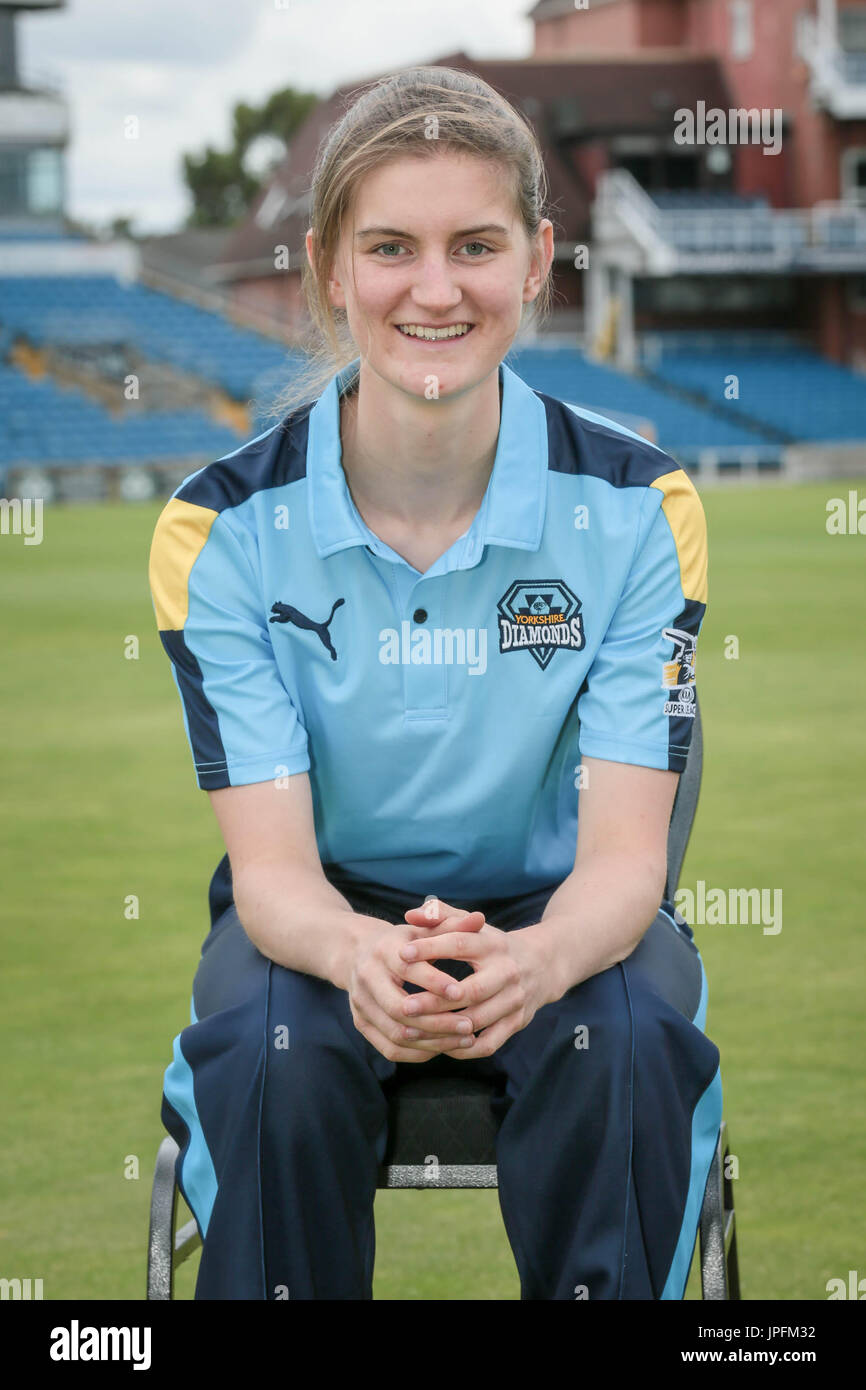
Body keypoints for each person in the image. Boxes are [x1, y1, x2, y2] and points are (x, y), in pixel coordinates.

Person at [147, 65, 722, 1301]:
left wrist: (539, 958)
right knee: (270, 1050)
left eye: (475, 244)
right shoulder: (221, 530)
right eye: (391, 247)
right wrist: (357, 954)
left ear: (536, 261)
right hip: (317, 921)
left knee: (618, 1039)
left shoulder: (637, 509)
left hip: (567, 912)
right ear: (327, 269)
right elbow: (273, 880)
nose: (434, 287)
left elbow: (627, 863)